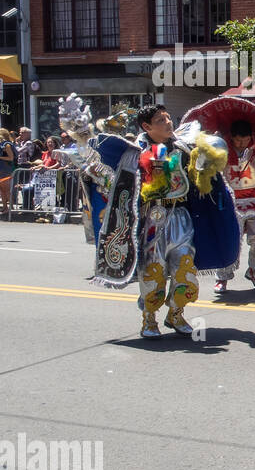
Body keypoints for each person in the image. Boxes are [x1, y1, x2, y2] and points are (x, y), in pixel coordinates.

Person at [57, 95, 239, 338]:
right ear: (146, 127)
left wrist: (208, 168)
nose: (167, 122)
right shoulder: (133, 153)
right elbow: (111, 177)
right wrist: (86, 148)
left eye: (167, 118)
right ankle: (149, 319)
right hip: (152, 219)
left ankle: (176, 313)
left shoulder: (184, 149)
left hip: (182, 217)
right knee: (153, 272)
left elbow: (200, 180)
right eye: (160, 120)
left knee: (185, 271)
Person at [183, 101, 255, 295]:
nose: (240, 143)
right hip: (230, 203)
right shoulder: (219, 150)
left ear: (250, 137)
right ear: (231, 137)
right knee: (229, 240)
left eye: (244, 139)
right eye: (237, 140)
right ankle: (222, 278)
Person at [0, 128, 15, 215]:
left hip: (6, 170)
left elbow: (11, 158)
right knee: (2, 190)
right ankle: (5, 207)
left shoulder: (7, 145)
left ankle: (11, 207)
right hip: (2, 170)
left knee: (6, 190)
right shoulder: (2, 145)